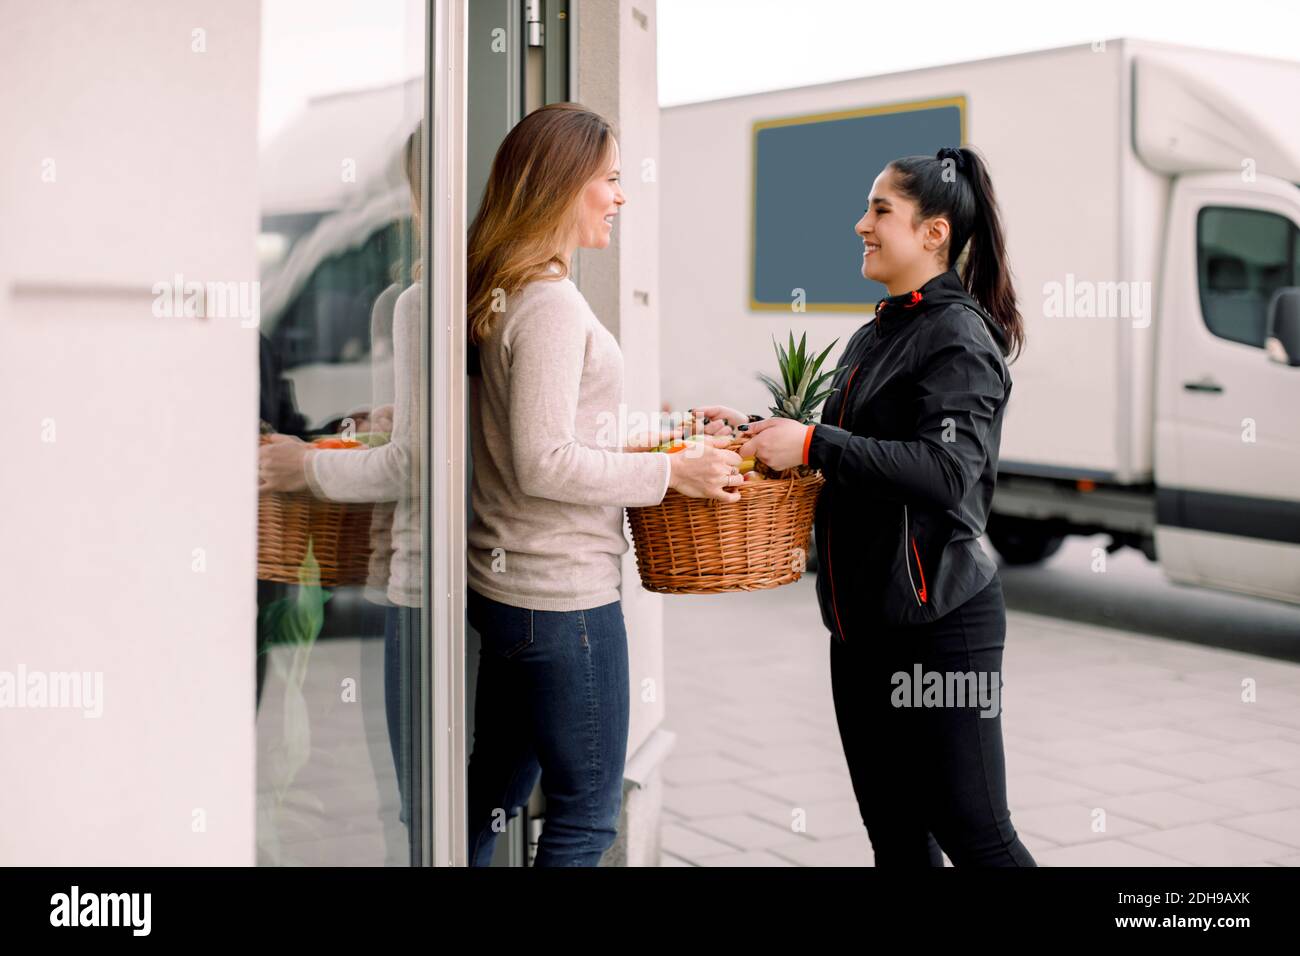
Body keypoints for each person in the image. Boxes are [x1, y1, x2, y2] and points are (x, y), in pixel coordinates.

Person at [697, 145, 1036, 867]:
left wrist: (816, 442)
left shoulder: (959, 335)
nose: (861, 225)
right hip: (861, 626)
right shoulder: (878, 331)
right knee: (897, 839)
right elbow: (859, 453)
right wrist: (759, 434)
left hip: (940, 623)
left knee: (978, 835)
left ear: (934, 233)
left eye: (881, 210)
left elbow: (948, 470)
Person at [464, 102, 741, 866]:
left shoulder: (506, 293)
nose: (621, 197)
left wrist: (675, 427)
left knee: (488, 800)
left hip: (513, 595)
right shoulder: (549, 304)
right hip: (565, 604)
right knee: (585, 819)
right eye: (610, 181)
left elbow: (563, 428)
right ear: (561, 185)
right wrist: (673, 472)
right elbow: (545, 459)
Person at [258, 124, 423, 857]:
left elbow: (291, 431)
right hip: (214, 567)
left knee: (246, 716)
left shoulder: (251, 342)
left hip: (257, 577)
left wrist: (347, 425)